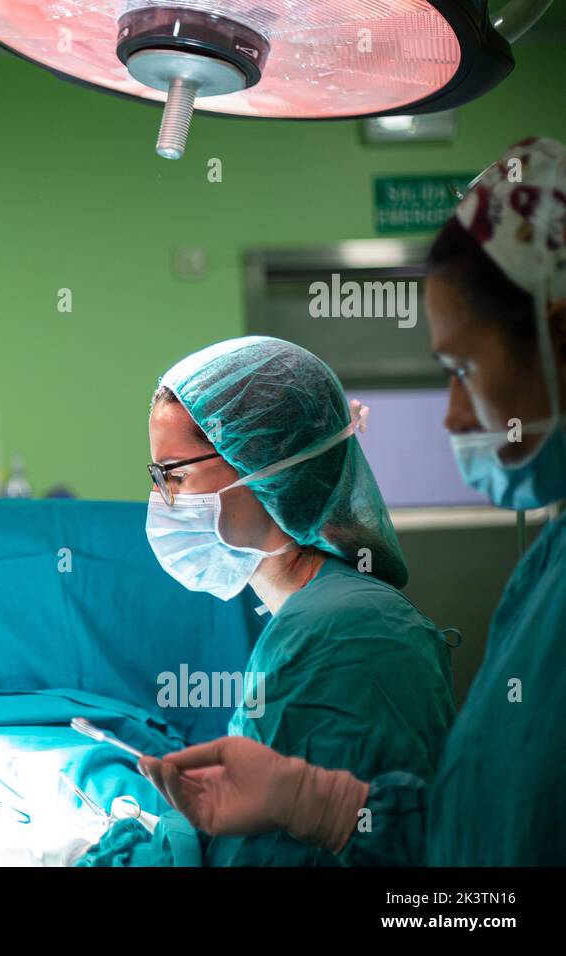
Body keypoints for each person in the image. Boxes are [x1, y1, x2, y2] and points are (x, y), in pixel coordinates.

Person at [136, 136, 566, 866]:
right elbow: (476, 837)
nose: (453, 418)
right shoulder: (547, 572)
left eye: (463, 367)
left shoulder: (346, 635)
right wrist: (316, 804)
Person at [80, 335, 455, 866]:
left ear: (266, 464)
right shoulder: (314, 615)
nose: (164, 500)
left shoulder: (340, 633)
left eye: (176, 476)